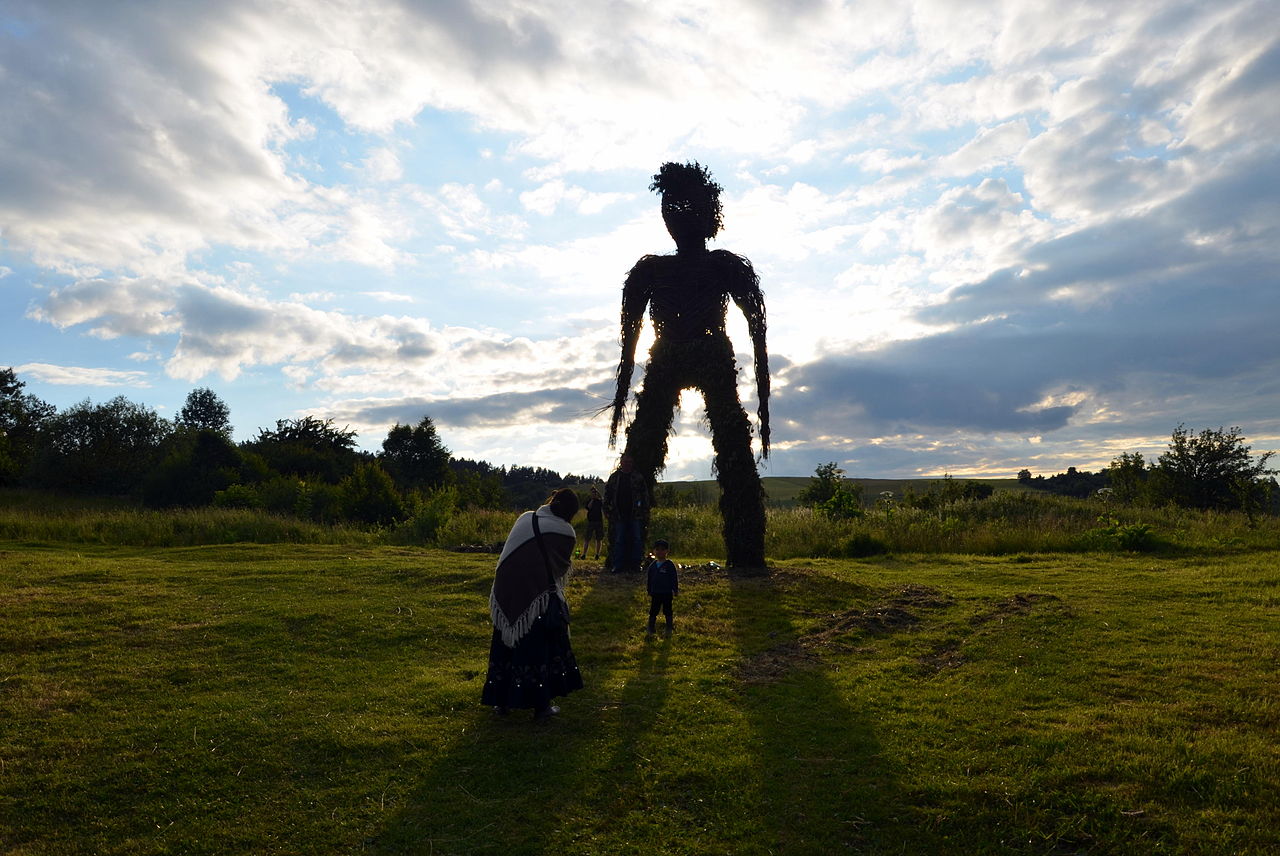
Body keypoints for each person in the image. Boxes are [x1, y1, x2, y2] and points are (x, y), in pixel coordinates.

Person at [605, 161, 769, 569]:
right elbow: (630, 339)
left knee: (733, 449)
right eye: (671, 205)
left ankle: (746, 554)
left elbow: (757, 328)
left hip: (708, 353)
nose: (677, 214)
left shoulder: (722, 266)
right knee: (642, 450)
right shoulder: (651, 271)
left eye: (684, 205)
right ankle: (625, 556)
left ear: (708, 213)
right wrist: (621, 398)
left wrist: (764, 407)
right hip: (669, 355)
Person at [482, 488, 583, 720]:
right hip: (536, 598)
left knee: (506, 646)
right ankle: (541, 706)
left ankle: (501, 703)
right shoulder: (566, 532)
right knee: (537, 648)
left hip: (505, 592)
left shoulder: (525, 518)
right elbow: (560, 568)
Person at [603, 453, 647, 573]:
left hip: (635, 514)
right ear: (621, 463)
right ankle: (617, 565)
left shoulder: (638, 477)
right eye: (625, 462)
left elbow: (645, 496)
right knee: (618, 540)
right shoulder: (614, 477)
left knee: (637, 539)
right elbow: (607, 495)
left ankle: (636, 565)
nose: (627, 464)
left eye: (629, 462)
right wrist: (606, 510)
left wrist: (644, 512)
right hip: (618, 515)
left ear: (632, 463)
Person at [646, 538, 679, 637]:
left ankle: (669, 627)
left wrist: (675, 589)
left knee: (668, 610)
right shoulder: (652, 566)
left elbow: (674, 578)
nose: (660, 552)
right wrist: (649, 590)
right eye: (657, 549)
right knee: (653, 610)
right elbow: (649, 579)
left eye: (662, 549)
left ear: (667, 551)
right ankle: (651, 627)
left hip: (666, 592)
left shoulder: (669, 565)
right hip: (656, 592)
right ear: (654, 551)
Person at [579, 486, 604, 560]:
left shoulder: (599, 501)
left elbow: (603, 502)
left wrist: (598, 495)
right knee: (587, 538)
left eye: (595, 493)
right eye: (593, 493)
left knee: (599, 539)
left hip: (599, 521)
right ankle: (584, 554)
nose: (594, 494)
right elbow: (588, 507)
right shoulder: (589, 501)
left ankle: (597, 554)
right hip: (591, 521)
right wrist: (592, 499)